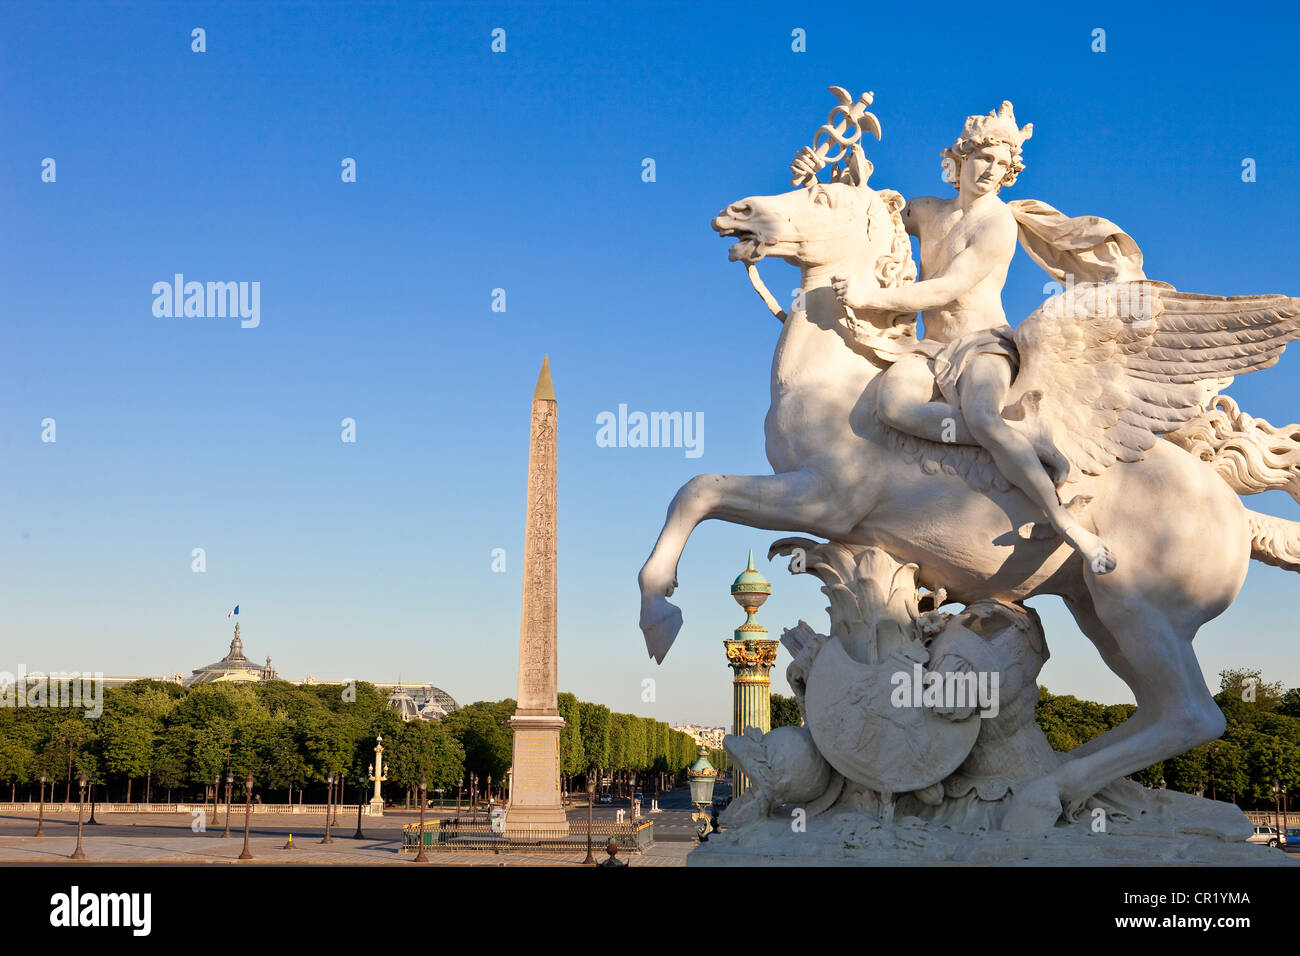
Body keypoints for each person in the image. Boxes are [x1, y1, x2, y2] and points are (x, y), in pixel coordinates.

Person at [800, 103, 1130, 573]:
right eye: (984, 158)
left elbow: (948, 287)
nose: (991, 170)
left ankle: (1063, 521)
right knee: (890, 407)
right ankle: (1015, 440)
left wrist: (872, 296)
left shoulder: (998, 223)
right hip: (930, 350)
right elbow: (867, 212)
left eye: (1002, 163)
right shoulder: (928, 210)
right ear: (960, 159)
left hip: (983, 345)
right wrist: (818, 180)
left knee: (982, 417)